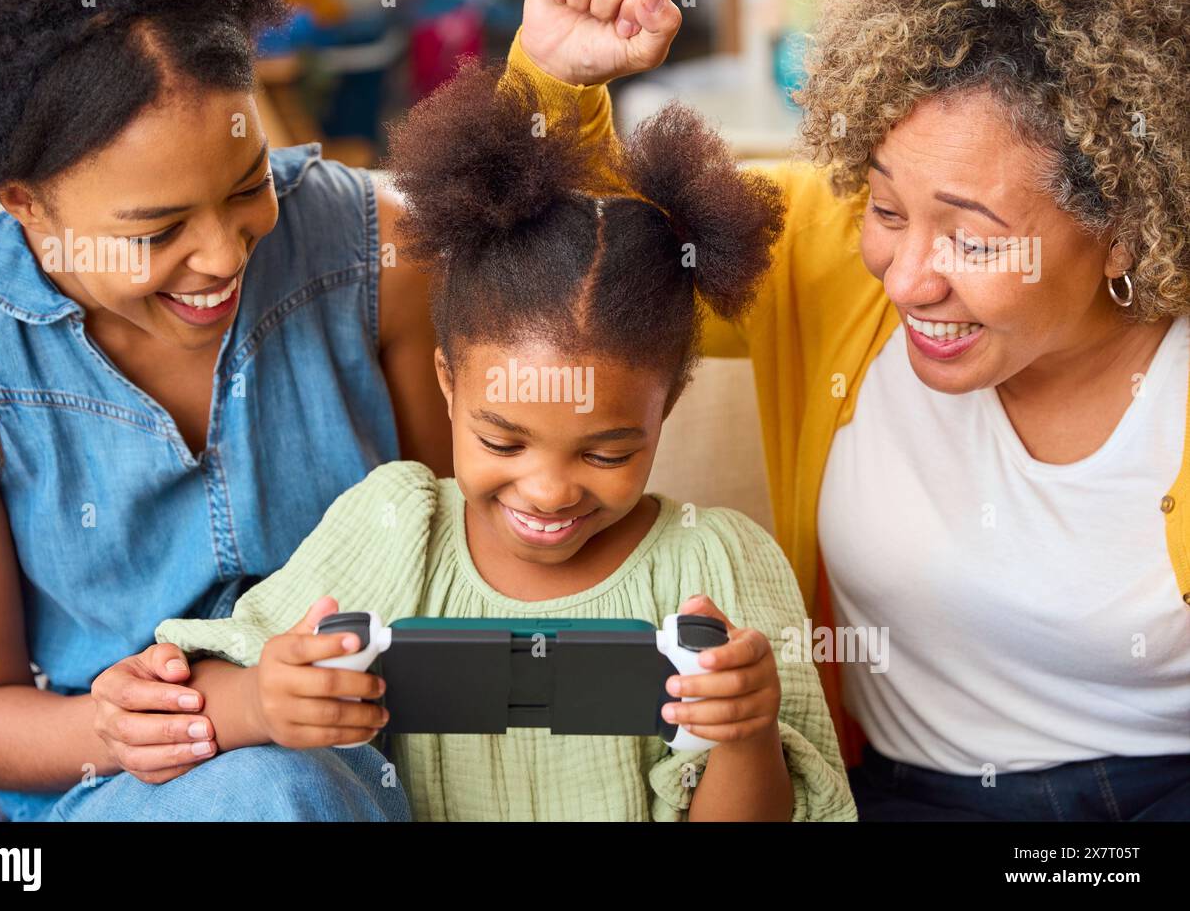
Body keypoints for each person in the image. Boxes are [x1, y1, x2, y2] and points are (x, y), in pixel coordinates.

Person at [511, 0, 1190, 819]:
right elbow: (576, 273)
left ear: (1125, 230)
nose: (906, 281)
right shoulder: (819, 259)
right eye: (888, 210)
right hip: (902, 795)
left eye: (972, 241)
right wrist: (557, 78)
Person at [147, 60, 857, 821]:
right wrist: (263, 694)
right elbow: (210, 688)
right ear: (448, 384)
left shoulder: (722, 563)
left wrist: (745, 734)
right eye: (504, 442)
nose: (549, 491)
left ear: (668, 406)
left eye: (605, 452)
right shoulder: (397, 527)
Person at [0, 0, 450, 820]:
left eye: (246, 185)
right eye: (155, 231)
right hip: (119, 784)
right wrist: (113, 732)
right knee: (276, 792)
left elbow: (470, 551)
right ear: (25, 202)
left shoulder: (381, 253)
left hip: (391, 754)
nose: (225, 256)